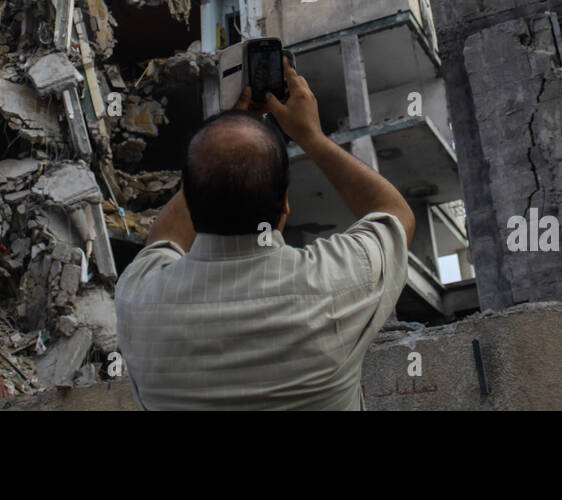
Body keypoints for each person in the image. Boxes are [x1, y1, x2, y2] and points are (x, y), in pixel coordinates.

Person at [114, 57, 413, 410]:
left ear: (191, 205)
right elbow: (395, 214)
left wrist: (228, 139)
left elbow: (163, 241)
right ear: (285, 203)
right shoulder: (338, 284)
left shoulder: (138, 299)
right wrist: (310, 136)